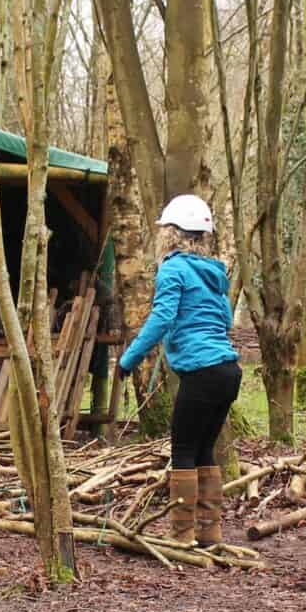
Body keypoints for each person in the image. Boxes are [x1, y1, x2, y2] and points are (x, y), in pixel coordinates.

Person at [116, 194, 240, 547]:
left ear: (172, 233)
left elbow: (162, 318)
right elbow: (226, 320)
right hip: (228, 371)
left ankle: (182, 536)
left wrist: (129, 360)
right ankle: (210, 532)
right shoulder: (216, 273)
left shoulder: (173, 269)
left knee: (183, 449)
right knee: (204, 449)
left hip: (201, 371)